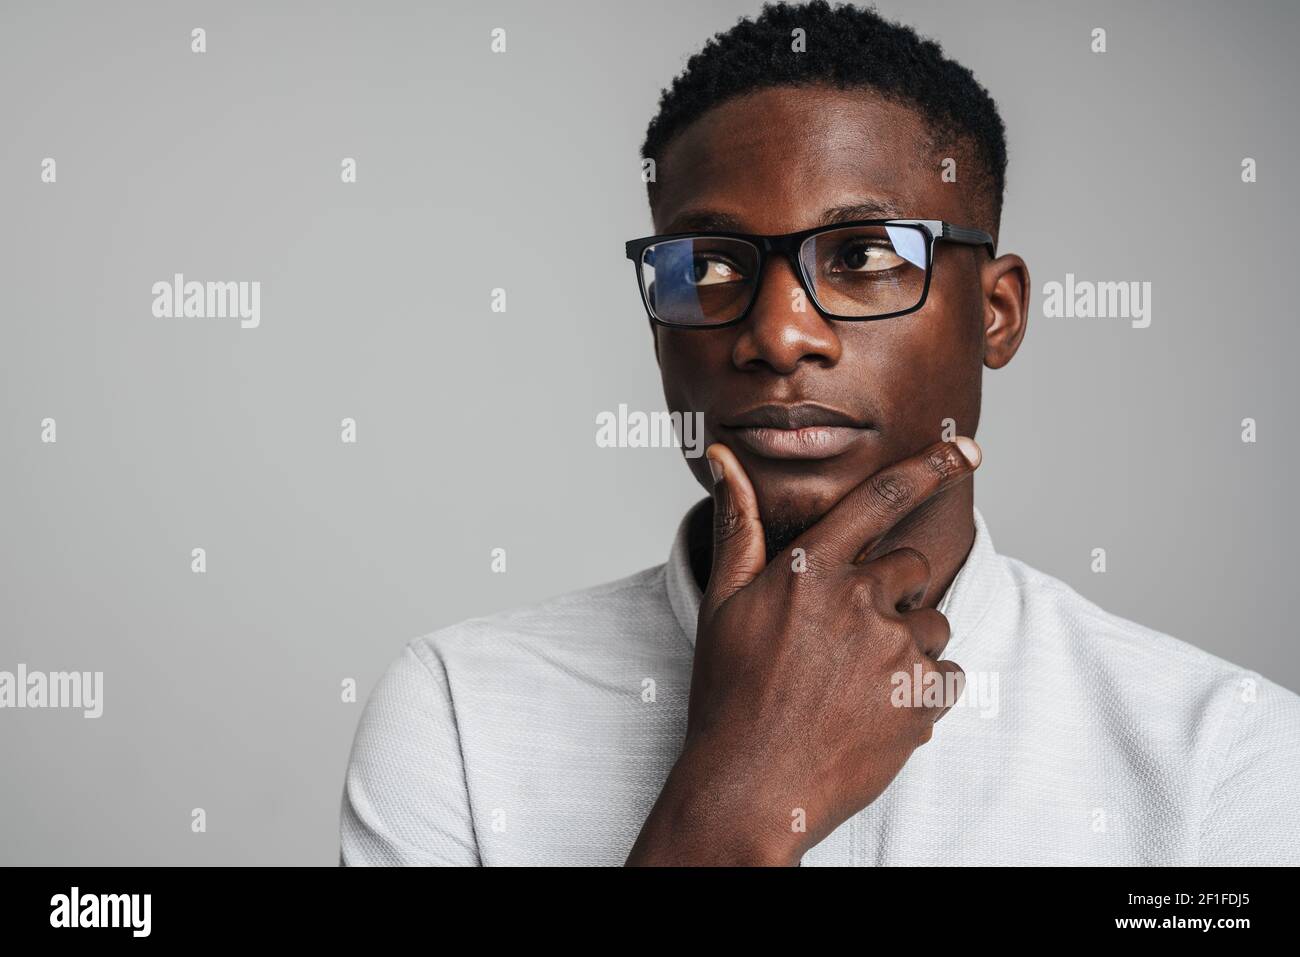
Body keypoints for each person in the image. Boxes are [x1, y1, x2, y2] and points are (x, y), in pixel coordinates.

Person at [340, 0, 1300, 866]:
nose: (776, 333)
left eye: (865, 255)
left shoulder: (1223, 757)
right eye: (709, 267)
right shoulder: (461, 715)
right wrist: (737, 803)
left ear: (998, 312)